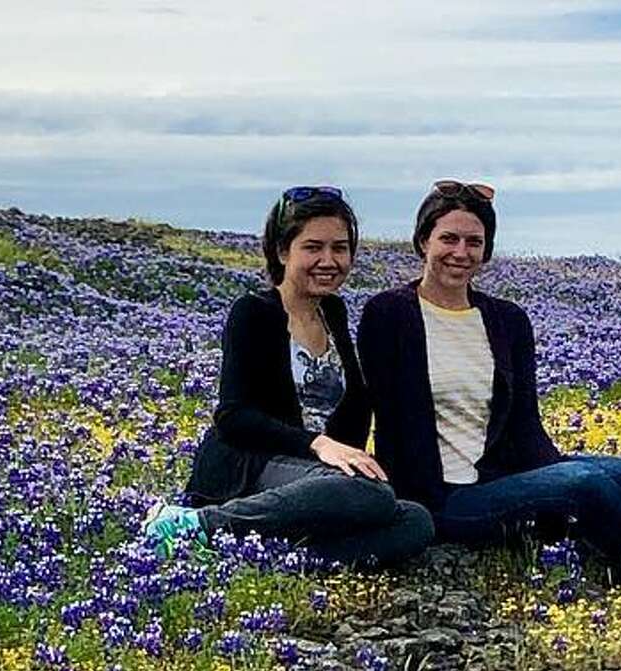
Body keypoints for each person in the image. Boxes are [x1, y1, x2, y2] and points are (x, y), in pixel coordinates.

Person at [356, 181, 621, 582]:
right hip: (441, 495)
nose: (461, 252)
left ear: (486, 249)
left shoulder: (508, 319)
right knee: (585, 482)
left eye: (474, 241)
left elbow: (525, 421)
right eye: (448, 239)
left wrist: (546, 479)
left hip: (500, 476)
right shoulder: (389, 314)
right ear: (423, 242)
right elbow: (379, 408)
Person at [146, 188, 433, 567]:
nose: (329, 260)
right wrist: (318, 444)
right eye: (313, 247)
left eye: (340, 248)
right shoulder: (253, 312)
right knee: (372, 495)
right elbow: (233, 417)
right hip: (252, 466)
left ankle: (249, 558)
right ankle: (195, 525)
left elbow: (353, 408)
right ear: (283, 252)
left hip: (310, 478)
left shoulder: (333, 311)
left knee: (416, 520)